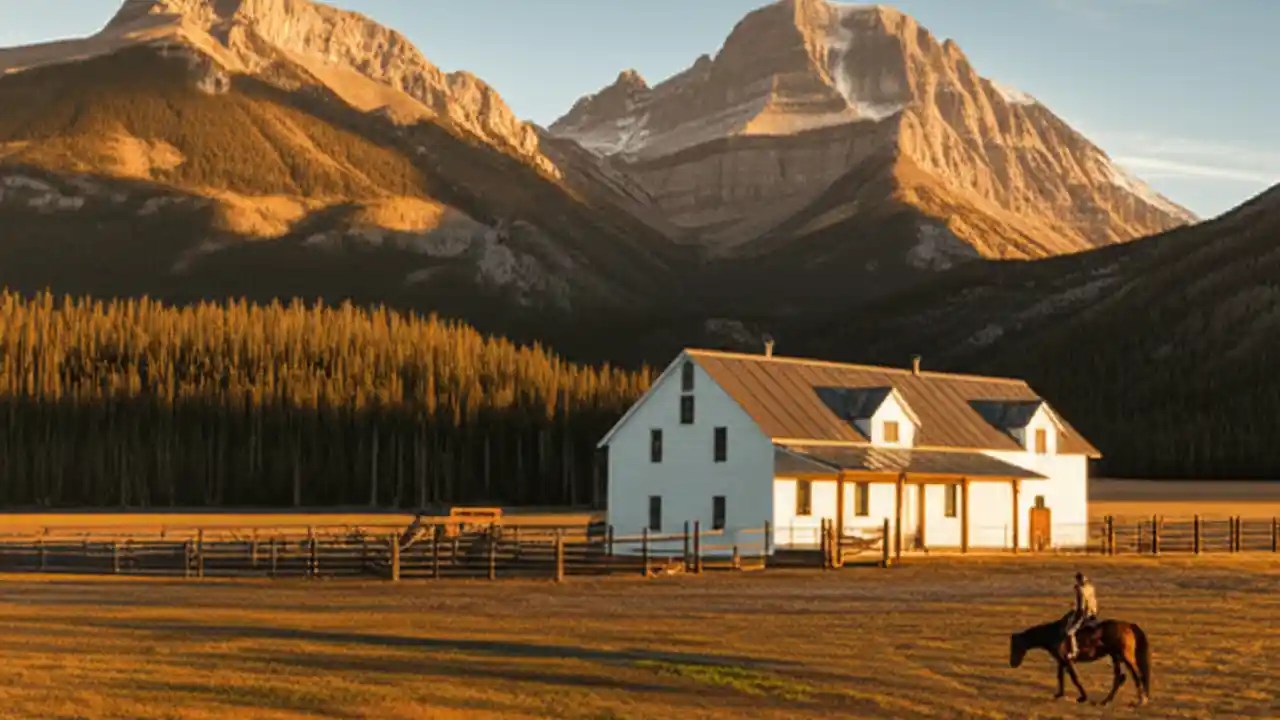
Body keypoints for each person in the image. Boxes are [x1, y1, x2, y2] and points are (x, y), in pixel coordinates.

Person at [1064, 572, 1098, 660]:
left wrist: (1077, 613)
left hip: (1084, 614)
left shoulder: (1080, 589)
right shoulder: (1091, 587)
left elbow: (1081, 605)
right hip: (1093, 612)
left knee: (1069, 632)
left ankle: (1074, 652)